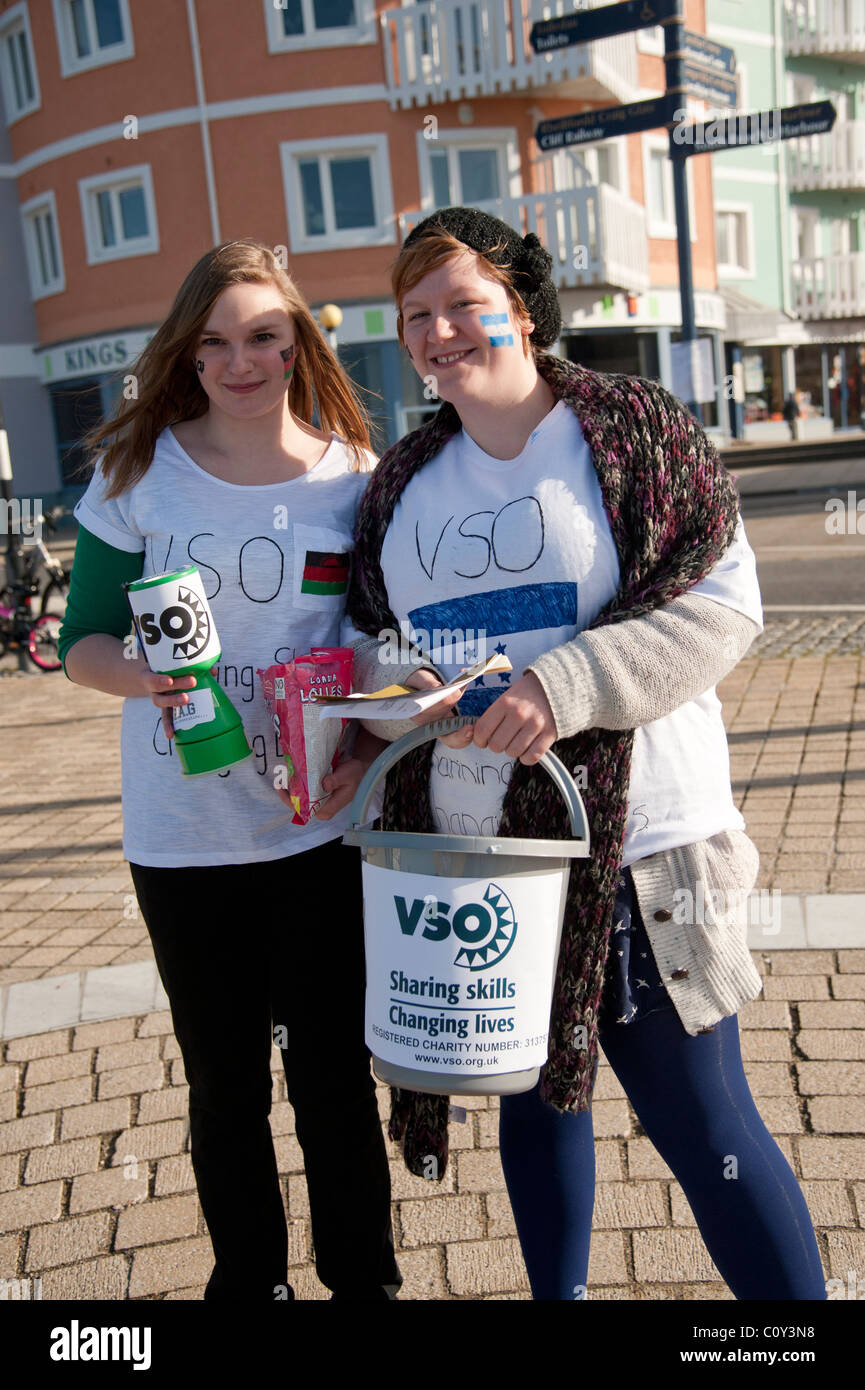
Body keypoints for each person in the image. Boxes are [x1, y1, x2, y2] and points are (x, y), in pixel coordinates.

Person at [345, 208, 826, 1301]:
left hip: (649, 845)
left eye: (464, 304)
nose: (437, 331)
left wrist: (559, 689)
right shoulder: (404, 482)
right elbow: (372, 640)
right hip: (488, 856)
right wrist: (403, 698)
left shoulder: (631, 429)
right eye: (415, 314)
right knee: (536, 1106)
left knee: (707, 1125)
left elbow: (721, 608)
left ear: (521, 308)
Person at [59, 240, 401, 1302]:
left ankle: (363, 1281)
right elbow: (81, 642)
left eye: (262, 335)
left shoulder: (354, 474)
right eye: (212, 344)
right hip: (182, 837)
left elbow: (380, 641)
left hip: (315, 827)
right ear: (187, 355)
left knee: (333, 1077)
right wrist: (147, 680)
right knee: (224, 1087)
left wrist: (363, 738)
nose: (239, 361)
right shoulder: (139, 472)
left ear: (298, 342)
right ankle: (248, 1282)